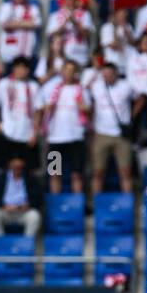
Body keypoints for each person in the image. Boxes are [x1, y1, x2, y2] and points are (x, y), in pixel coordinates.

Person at [43, 59, 89, 195]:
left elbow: (89, 109)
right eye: (66, 70)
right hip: (55, 138)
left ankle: (77, 203)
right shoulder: (51, 87)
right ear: (62, 71)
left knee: (77, 173)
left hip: (75, 137)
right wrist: (48, 107)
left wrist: (83, 107)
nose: (69, 73)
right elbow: (42, 106)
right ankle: (55, 203)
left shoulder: (82, 89)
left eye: (72, 71)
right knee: (54, 172)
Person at [89, 61, 134, 194]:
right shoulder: (96, 86)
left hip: (120, 135)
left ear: (116, 74)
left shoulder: (126, 86)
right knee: (97, 171)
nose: (107, 77)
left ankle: (127, 202)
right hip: (101, 133)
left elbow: (140, 98)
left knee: (125, 171)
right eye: (104, 75)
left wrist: (131, 117)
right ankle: (96, 202)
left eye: (110, 74)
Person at [0, 57, 43, 169]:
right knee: (5, 166)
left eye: (23, 68)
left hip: (26, 133)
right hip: (7, 131)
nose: (20, 71)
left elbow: (38, 111)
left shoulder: (33, 86)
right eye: (18, 68)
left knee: (28, 168)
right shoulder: (3, 84)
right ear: (13, 69)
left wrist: (34, 133)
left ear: (28, 70)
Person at [0, 154, 43, 238]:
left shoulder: (31, 178)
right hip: (5, 210)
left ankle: (27, 242)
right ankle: (1, 241)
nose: (17, 169)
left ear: (23, 166)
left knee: (35, 216)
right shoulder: (0, 178)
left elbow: (38, 198)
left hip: (24, 211)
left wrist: (29, 205)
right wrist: (4, 206)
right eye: (14, 166)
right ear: (9, 165)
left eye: (19, 167)